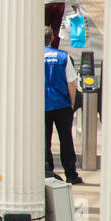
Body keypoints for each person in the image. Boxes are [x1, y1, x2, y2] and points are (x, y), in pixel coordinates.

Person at [43, 26, 82, 185]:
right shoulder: (62, 57)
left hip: (42, 104)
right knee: (66, 139)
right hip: (61, 104)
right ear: (51, 38)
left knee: (44, 139)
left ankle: (47, 170)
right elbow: (71, 83)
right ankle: (71, 173)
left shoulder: (30, 56)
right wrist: (71, 102)